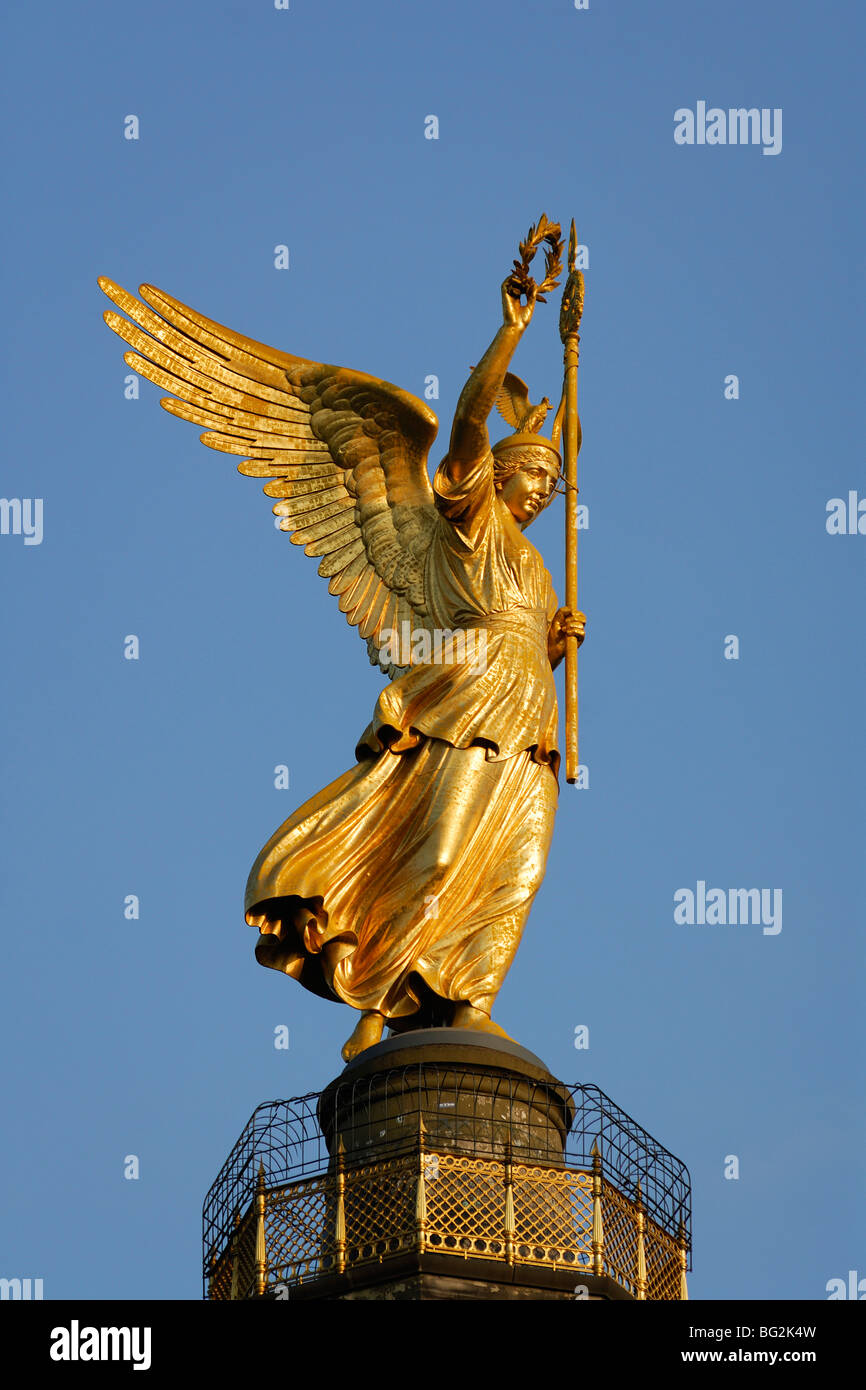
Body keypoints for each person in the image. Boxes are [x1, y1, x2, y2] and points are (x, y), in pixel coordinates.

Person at [245, 277, 586, 1061]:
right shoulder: (469, 518)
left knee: (518, 870)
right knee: (437, 858)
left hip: (528, 723)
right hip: (464, 705)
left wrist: (555, 646)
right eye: (535, 473)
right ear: (496, 474)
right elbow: (469, 420)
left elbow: (525, 647)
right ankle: (376, 994)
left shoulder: (535, 563)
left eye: (552, 479)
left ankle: (471, 1001)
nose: (547, 487)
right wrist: (511, 335)